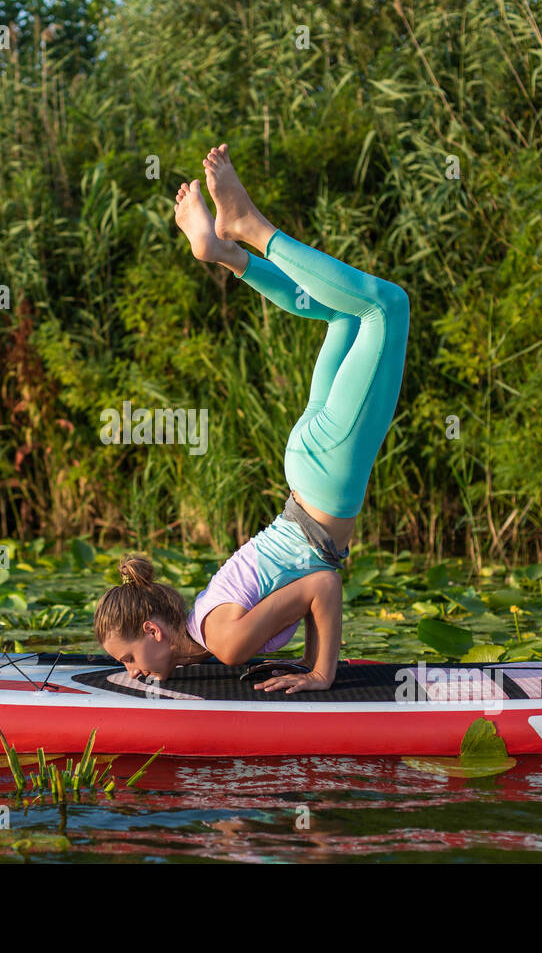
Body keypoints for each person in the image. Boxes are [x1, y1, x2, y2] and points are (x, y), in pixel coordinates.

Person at [92, 143, 410, 694]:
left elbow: (323, 588)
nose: (132, 672)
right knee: (342, 312)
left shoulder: (226, 642)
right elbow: (310, 582)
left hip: (324, 484)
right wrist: (310, 662)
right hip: (307, 477)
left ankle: (248, 229)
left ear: (152, 630)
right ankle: (223, 252)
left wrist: (319, 674)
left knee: (386, 307)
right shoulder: (207, 619)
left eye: (127, 658)